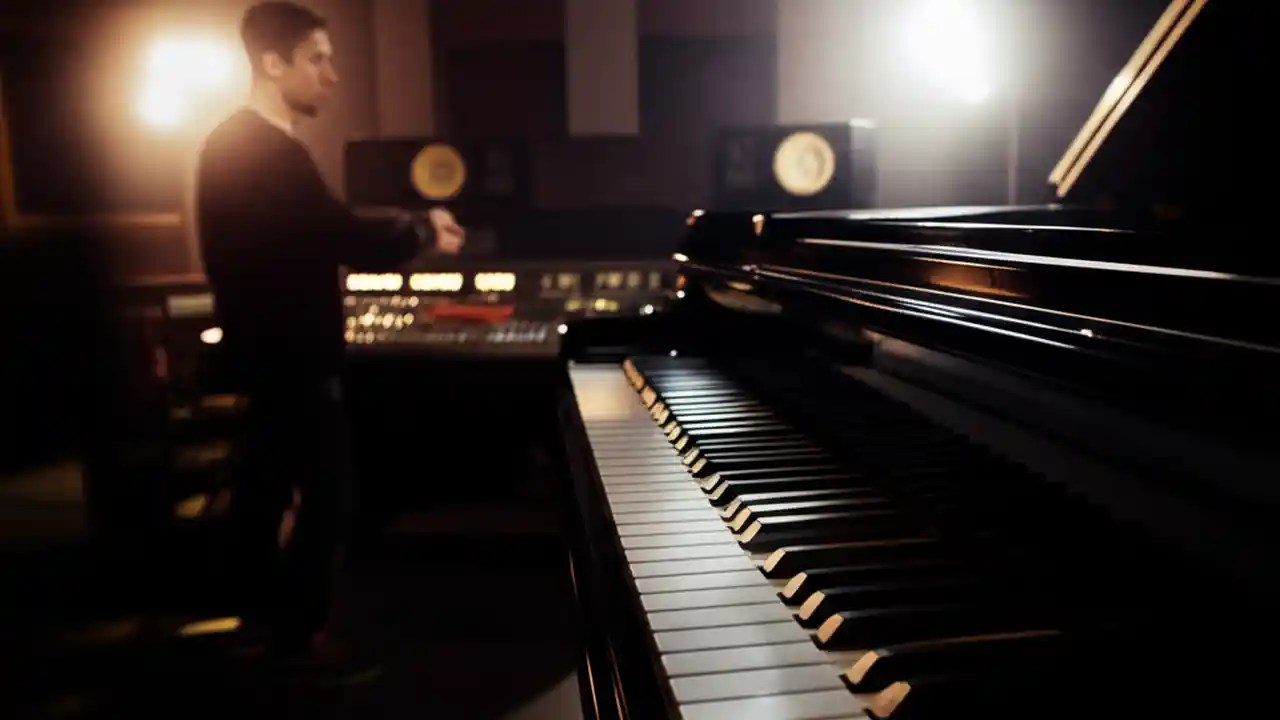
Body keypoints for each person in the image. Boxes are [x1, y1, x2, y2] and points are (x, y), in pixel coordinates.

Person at [195, 1, 464, 668]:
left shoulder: (230, 145)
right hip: (294, 364)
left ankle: (262, 634)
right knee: (329, 498)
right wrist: (424, 229)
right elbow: (339, 232)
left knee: (264, 493)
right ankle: (295, 643)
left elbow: (318, 224)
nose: (332, 75)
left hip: (268, 360)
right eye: (318, 59)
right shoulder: (266, 151)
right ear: (273, 62)